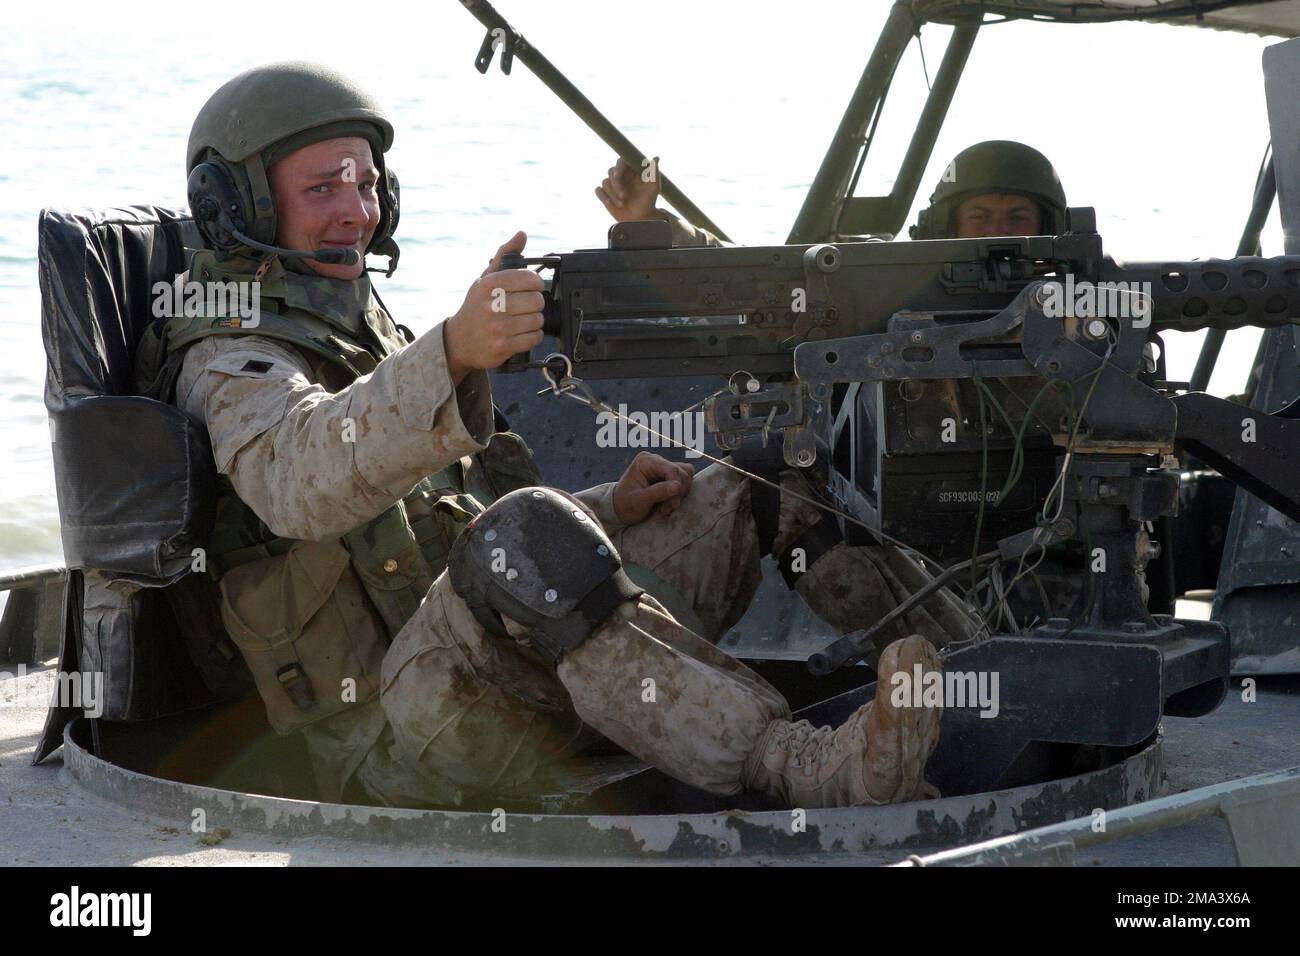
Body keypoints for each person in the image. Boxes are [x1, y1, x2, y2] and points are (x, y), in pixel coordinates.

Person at [134, 61, 950, 812]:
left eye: (367, 183)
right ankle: (809, 770)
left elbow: (455, 522)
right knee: (520, 533)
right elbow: (298, 481)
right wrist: (453, 348)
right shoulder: (226, 356)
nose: (356, 210)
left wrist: (610, 509)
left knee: (772, 474)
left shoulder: (354, 328)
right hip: (399, 739)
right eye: (322, 189)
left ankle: (977, 679)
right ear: (237, 204)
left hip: (505, 676)